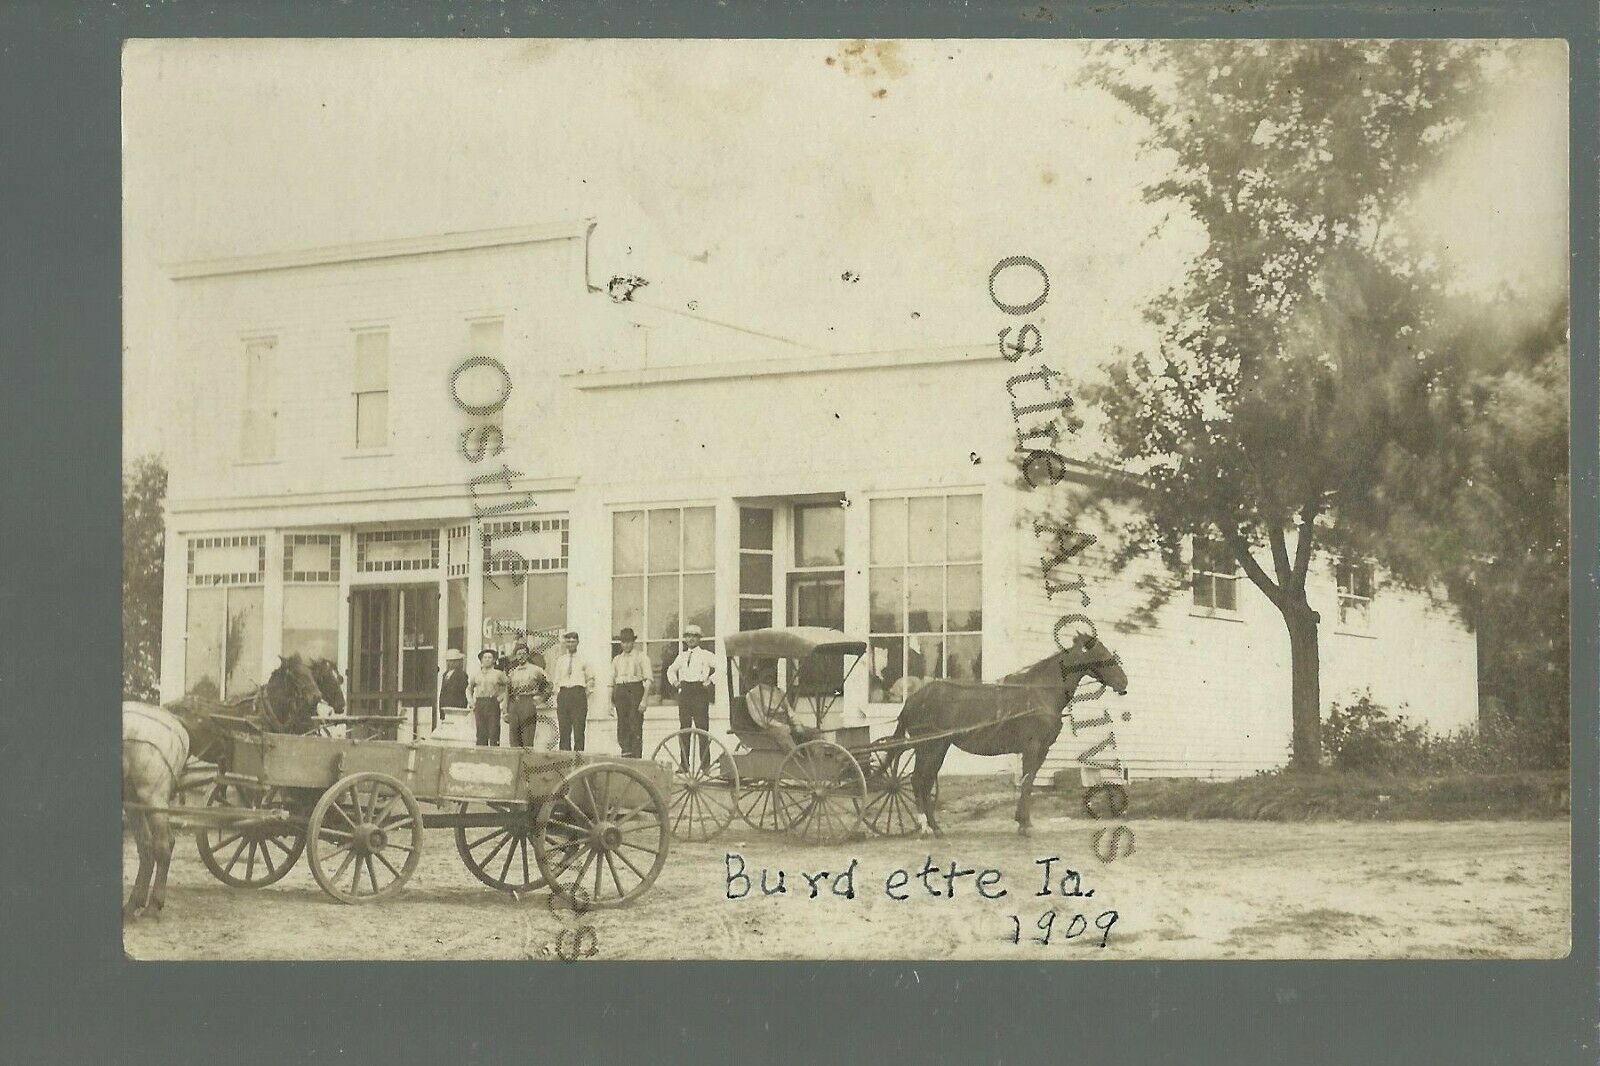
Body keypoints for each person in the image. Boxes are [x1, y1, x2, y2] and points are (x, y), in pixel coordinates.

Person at [666, 624, 716, 771]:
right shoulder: (682, 656)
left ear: (699, 638)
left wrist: (710, 680)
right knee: (684, 729)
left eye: (694, 636)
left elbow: (722, 667)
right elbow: (670, 670)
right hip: (685, 692)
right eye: (688, 636)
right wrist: (675, 682)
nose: (691, 639)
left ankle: (705, 765)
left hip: (700, 691)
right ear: (685, 639)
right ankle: (684, 764)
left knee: (702, 729)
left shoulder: (706, 655)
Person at [743, 660, 814, 752]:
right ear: (759, 673)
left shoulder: (779, 692)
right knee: (784, 733)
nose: (769, 674)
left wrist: (797, 724)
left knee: (814, 733)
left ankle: (818, 758)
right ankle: (796, 757)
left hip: (786, 725)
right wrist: (780, 726)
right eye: (765, 671)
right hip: (768, 728)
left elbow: (790, 711)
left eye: (771, 670)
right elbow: (759, 719)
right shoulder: (752, 694)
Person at [549, 630, 594, 753]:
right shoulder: (561, 660)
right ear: (565, 643)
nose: (571, 644)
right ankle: (565, 759)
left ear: (578, 642)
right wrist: (558, 694)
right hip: (564, 695)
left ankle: (578, 759)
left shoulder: (584, 659)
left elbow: (591, 679)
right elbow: (556, 680)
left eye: (573, 642)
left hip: (578, 694)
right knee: (564, 730)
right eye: (568, 642)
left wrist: (584, 694)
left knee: (579, 730)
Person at [610, 627, 652, 758]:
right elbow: (611, 682)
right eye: (623, 642)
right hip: (620, 691)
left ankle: (636, 758)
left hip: (635, 690)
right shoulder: (617, 659)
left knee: (635, 724)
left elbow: (648, 680)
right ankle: (626, 756)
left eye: (629, 642)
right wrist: (609, 703)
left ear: (633, 642)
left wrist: (644, 700)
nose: (626, 645)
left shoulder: (641, 657)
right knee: (622, 726)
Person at [505, 643, 553, 749]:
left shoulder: (536, 670)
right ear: (516, 656)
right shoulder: (512, 672)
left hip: (528, 703)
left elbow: (549, 685)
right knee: (514, 738)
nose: (521, 656)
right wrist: (505, 711)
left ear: (527, 655)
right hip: (514, 705)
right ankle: (515, 760)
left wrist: (541, 698)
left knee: (527, 737)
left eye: (524, 654)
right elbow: (507, 692)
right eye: (519, 654)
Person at [469, 648, 508, 746]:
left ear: (494, 660)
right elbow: (469, 689)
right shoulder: (476, 674)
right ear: (481, 660)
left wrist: (501, 697)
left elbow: (508, 687)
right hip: (480, 703)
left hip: (492, 703)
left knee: (493, 731)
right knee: (480, 732)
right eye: (485, 657)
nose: (487, 659)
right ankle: (481, 754)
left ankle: (494, 752)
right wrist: (471, 701)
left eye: (490, 657)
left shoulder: (498, 674)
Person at [438, 649, 470, 726]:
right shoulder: (445, 674)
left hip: (456, 707)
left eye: (454, 661)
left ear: (458, 662)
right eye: (449, 661)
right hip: (445, 706)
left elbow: (461, 692)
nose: (451, 663)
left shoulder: (462, 675)